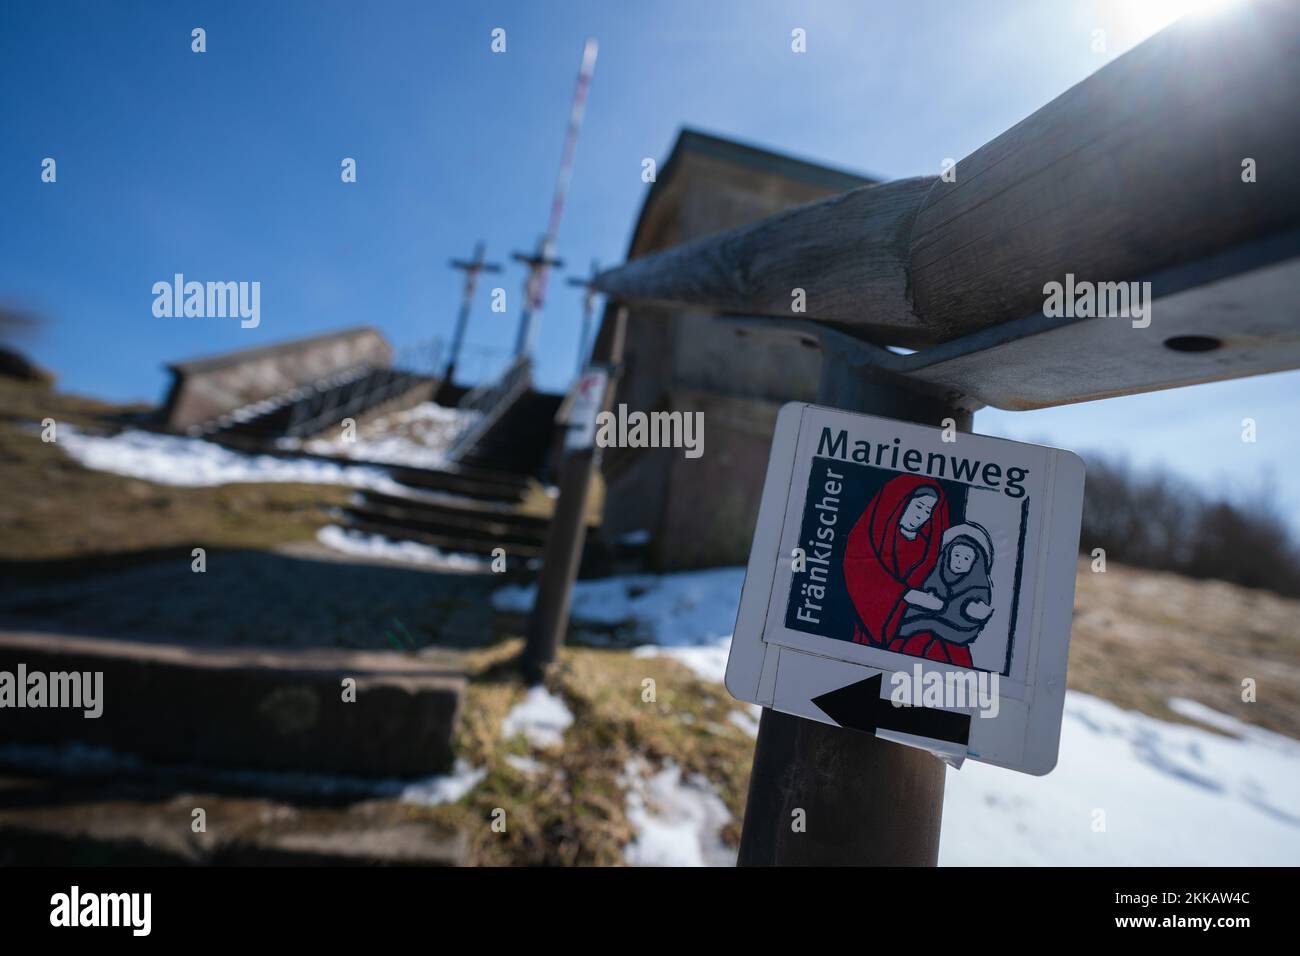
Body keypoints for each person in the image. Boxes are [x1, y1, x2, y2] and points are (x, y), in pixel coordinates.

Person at [843, 474, 949, 647]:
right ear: (904, 502)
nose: (920, 515)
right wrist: (907, 594)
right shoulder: (878, 536)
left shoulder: (926, 548)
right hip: (870, 623)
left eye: (927, 511)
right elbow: (860, 570)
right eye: (918, 506)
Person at [891, 522, 995, 667]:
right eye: (957, 555)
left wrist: (972, 611)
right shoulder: (933, 574)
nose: (959, 561)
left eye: (966, 558)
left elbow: (976, 608)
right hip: (917, 631)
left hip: (953, 637)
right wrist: (926, 601)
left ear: (975, 563)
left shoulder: (977, 587)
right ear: (947, 554)